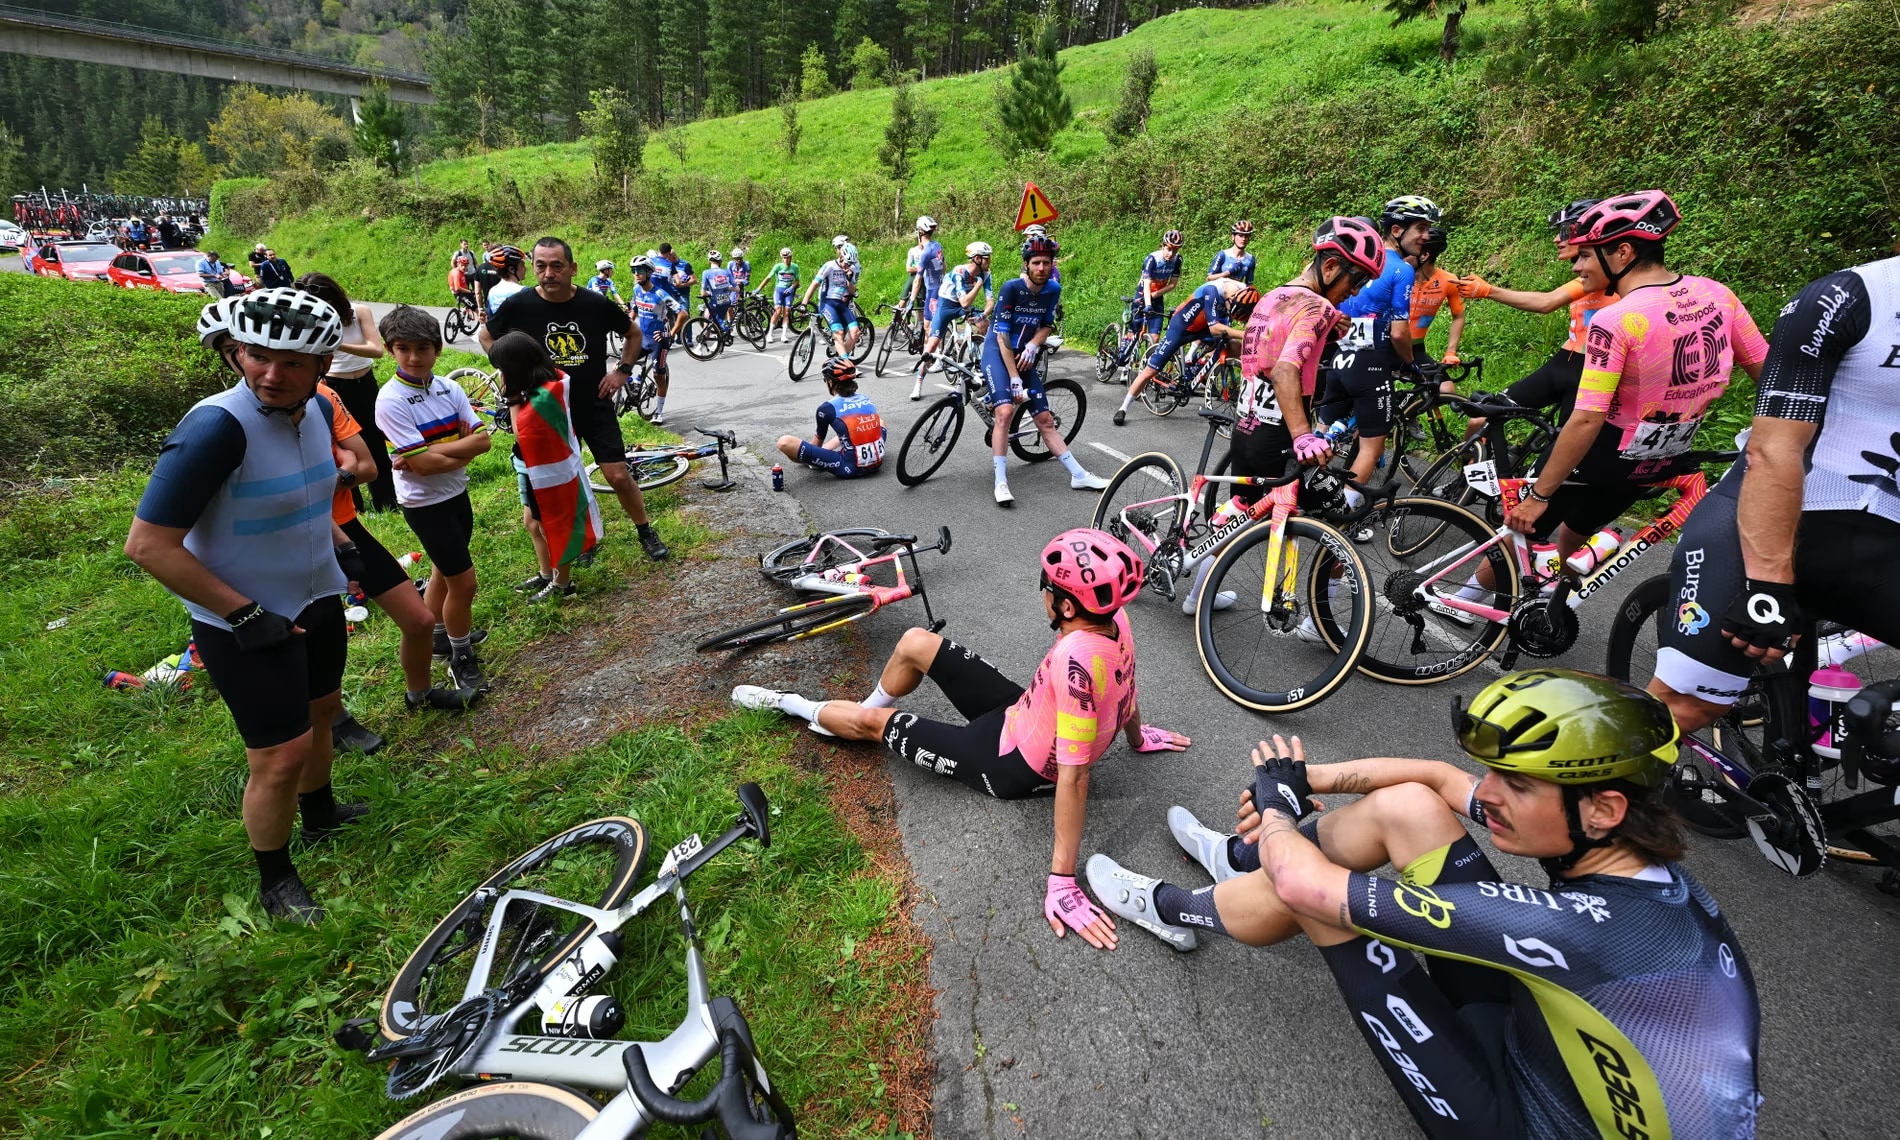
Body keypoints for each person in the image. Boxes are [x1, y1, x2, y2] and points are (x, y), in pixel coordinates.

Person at [1087, 669, 1762, 1140]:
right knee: (1410, 810)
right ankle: (1242, 858)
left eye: (1517, 786)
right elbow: (1435, 781)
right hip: (1547, 1040)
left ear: (1604, 806)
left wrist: (1277, 813)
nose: (1490, 794)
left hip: (1522, 1121)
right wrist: (1303, 781)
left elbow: (1306, 889)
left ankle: (1172, 908)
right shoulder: (1631, 859)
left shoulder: (1581, 930)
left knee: (1318, 892)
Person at [731, 528, 1190, 949]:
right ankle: (860, 711)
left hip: (1005, 763)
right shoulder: (1114, 619)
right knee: (914, 641)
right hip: (1018, 711)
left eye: (1047, 587)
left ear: (1067, 606)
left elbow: (1074, 780)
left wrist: (1062, 881)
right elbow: (1125, 685)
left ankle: (791, 704)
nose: (1042, 593)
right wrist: (1134, 736)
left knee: (873, 730)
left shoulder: (1075, 658)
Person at [125, 288, 367, 923]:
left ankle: (321, 815)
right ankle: (275, 878)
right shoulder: (215, 427)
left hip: (314, 594)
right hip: (243, 619)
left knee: (320, 715)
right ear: (235, 353)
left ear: (321, 367)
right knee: (278, 754)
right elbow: (148, 545)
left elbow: (303, 497)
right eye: (258, 356)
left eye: (292, 363)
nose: (272, 374)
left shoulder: (313, 413)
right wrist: (242, 614)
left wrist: (341, 546)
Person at [1649, 251, 1900, 731]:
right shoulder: (1847, 298)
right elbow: (1773, 448)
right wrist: (1767, 589)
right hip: (1766, 526)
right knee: (1685, 707)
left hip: (1883, 543)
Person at [192, 296, 476, 718]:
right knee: (310, 639)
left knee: (416, 620)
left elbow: (364, 467)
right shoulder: (221, 421)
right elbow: (156, 539)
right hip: (276, 549)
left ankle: (420, 692)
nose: (271, 372)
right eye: (248, 354)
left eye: (291, 361)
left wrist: (331, 483)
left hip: (339, 527)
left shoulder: (321, 401)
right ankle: (334, 719)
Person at [1497, 191, 1767, 576]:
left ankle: (1469, 594)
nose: (1577, 266)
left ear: (1622, 253)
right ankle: (1557, 597)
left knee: (1518, 534)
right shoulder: (1717, 293)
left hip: (1603, 453)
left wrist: (1539, 495)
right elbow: (1769, 372)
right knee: (1577, 532)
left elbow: (1587, 418)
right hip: (1659, 458)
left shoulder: (1615, 320)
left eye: (1587, 254)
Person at [1174, 217, 1378, 616]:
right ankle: (1320, 618)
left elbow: (1261, 350)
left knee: (1241, 508)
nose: (1354, 292)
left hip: (1247, 428)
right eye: (1354, 282)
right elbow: (1285, 369)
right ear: (1332, 267)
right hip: (1280, 433)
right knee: (1331, 514)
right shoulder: (1317, 307)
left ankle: (1198, 595)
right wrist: (1303, 435)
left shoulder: (1274, 296)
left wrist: (1329, 331)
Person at [481, 237, 670, 560]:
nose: (548, 273)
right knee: (564, 479)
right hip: (547, 409)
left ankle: (645, 531)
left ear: (572, 268)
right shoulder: (520, 304)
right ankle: (583, 543)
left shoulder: (593, 303)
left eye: (557, 266)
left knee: (617, 474)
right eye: (540, 266)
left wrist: (622, 371)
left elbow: (633, 333)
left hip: (593, 403)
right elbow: (487, 336)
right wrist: (514, 372)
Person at [376, 305, 494, 693]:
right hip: (424, 505)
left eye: (423, 348)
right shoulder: (390, 400)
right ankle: (461, 657)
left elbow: (484, 441)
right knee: (465, 584)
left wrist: (433, 454)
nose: (414, 357)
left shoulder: (450, 387)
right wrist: (459, 448)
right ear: (390, 350)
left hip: (457, 493)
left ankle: (440, 638)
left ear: (437, 349)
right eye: (403, 348)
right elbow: (424, 467)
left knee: (445, 572)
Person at [1316, 196, 1435, 519]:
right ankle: (1342, 515)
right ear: (1396, 230)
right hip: (1370, 367)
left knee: (1322, 435)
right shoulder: (1400, 270)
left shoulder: (1358, 263)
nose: (1426, 236)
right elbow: (1399, 333)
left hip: (1339, 362)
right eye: (1421, 228)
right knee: (1371, 447)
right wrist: (1411, 364)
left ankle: (1302, 493)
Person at [1458, 199, 1615, 422]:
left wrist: (1488, 290)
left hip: (1590, 372)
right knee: (1483, 416)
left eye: (1564, 231)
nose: (1556, 239)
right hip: (1565, 362)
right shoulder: (1585, 277)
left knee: (1565, 446)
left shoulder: (1605, 277)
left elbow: (1547, 302)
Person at [985, 234, 1111, 507]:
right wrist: (1015, 378)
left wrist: (1033, 344)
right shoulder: (1011, 288)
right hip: (999, 352)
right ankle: (1001, 482)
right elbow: (1002, 337)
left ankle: (1078, 475)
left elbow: (1046, 323)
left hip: (1024, 355)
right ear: (1027, 264)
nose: (1041, 268)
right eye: (1036, 263)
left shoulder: (1053, 289)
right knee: (1005, 413)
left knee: (1045, 420)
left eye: (1046, 263)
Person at [489, 331, 603, 603]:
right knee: (531, 522)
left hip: (544, 475)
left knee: (548, 525)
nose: (501, 376)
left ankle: (562, 583)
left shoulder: (542, 397)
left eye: (503, 370)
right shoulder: (547, 381)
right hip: (528, 468)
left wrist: (513, 399)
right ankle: (545, 572)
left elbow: (521, 433)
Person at [297, 272, 395, 513]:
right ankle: (355, 505)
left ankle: (387, 501)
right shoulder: (310, 319)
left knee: (375, 441)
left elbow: (376, 350)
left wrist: (337, 343)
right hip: (334, 387)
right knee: (342, 445)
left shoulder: (358, 311)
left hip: (365, 382)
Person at [1115, 276, 1259, 425]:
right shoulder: (1213, 290)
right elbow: (1215, 328)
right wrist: (1245, 334)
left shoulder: (1244, 292)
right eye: (1230, 310)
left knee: (1235, 346)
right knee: (1150, 371)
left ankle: (1250, 387)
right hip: (1182, 327)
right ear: (1230, 299)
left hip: (1203, 328)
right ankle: (1123, 408)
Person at [775, 357, 886, 479]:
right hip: (877, 462)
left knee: (784, 442)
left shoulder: (827, 408)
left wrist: (811, 456)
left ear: (830, 382)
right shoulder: (864, 398)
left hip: (850, 467)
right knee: (878, 421)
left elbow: (815, 446)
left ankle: (823, 462)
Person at [910, 240, 993, 401]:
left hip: (963, 305)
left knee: (986, 325)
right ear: (976, 258)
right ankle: (918, 382)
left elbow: (990, 302)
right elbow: (964, 302)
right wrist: (978, 285)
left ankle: (986, 363)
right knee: (932, 346)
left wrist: (981, 316)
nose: (989, 261)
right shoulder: (959, 272)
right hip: (946, 305)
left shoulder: (986, 273)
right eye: (986, 258)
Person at [627, 255, 689, 426]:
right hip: (641, 337)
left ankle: (659, 412)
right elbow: (634, 308)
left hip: (658, 341)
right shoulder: (636, 290)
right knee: (620, 365)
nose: (636, 274)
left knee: (658, 376)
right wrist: (629, 321)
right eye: (633, 271)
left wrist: (670, 334)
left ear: (648, 272)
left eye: (639, 271)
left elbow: (683, 314)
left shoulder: (660, 294)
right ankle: (634, 383)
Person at [1406, 226, 1465, 373]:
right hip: (1386, 346)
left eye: (1408, 253)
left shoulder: (1448, 281)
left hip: (1415, 349)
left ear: (1424, 256)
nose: (1403, 256)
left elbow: (1459, 315)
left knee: (1446, 388)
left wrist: (1451, 352)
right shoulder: (1396, 275)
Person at [1131, 229, 1186, 357]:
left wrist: (1155, 296)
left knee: (1155, 337)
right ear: (1162, 246)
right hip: (1142, 294)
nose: (1171, 253)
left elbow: (1172, 284)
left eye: (1175, 250)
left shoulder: (1177, 260)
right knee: (1133, 333)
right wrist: (1148, 304)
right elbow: (1146, 285)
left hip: (1157, 296)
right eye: (1168, 249)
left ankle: (1146, 366)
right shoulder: (1152, 259)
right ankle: (1125, 358)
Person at [801, 246, 860, 360]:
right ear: (841, 257)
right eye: (847, 263)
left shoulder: (849, 269)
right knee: (839, 333)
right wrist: (804, 303)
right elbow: (814, 284)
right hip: (827, 303)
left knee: (855, 333)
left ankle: (841, 359)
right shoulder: (829, 266)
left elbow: (852, 292)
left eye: (851, 264)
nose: (848, 266)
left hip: (841, 304)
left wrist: (849, 280)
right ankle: (845, 363)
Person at [903, 216, 947, 330]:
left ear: (920, 232)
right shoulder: (937, 245)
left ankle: (938, 348)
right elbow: (944, 266)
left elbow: (918, 280)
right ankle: (929, 347)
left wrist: (911, 301)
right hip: (939, 286)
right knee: (927, 326)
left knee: (932, 328)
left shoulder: (925, 253)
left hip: (933, 291)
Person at [477, 244, 527, 317]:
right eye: (522, 265)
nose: (525, 268)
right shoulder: (524, 292)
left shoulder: (492, 292)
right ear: (511, 269)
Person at [765, 248, 800, 343]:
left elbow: (797, 280)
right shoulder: (778, 266)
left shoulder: (795, 267)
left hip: (789, 291)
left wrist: (792, 287)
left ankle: (783, 335)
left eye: (788, 257)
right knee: (778, 310)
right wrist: (759, 289)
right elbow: (768, 278)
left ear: (791, 257)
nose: (786, 260)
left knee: (787, 312)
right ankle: (769, 334)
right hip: (779, 290)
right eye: (784, 258)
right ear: (782, 258)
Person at [700, 250, 737, 337]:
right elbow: (737, 288)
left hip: (715, 301)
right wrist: (727, 288)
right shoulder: (727, 272)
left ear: (709, 261)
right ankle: (721, 337)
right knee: (720, 320)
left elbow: (703, 293)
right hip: (726, 301)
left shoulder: (706, 273)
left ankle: (702, 345)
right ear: (720, 261)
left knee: (707, 318)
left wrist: (710, 292)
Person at [1207, 220, 1256, 285]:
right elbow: (1209, 278)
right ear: (1233, 237)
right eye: (1240, 235)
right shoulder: (1223, 255)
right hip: (1219, 290)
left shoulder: (1250, 259)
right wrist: (1227, 273)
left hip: (1237, 292)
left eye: (1246, 236)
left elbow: (1249, 284)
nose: (1243, 239)